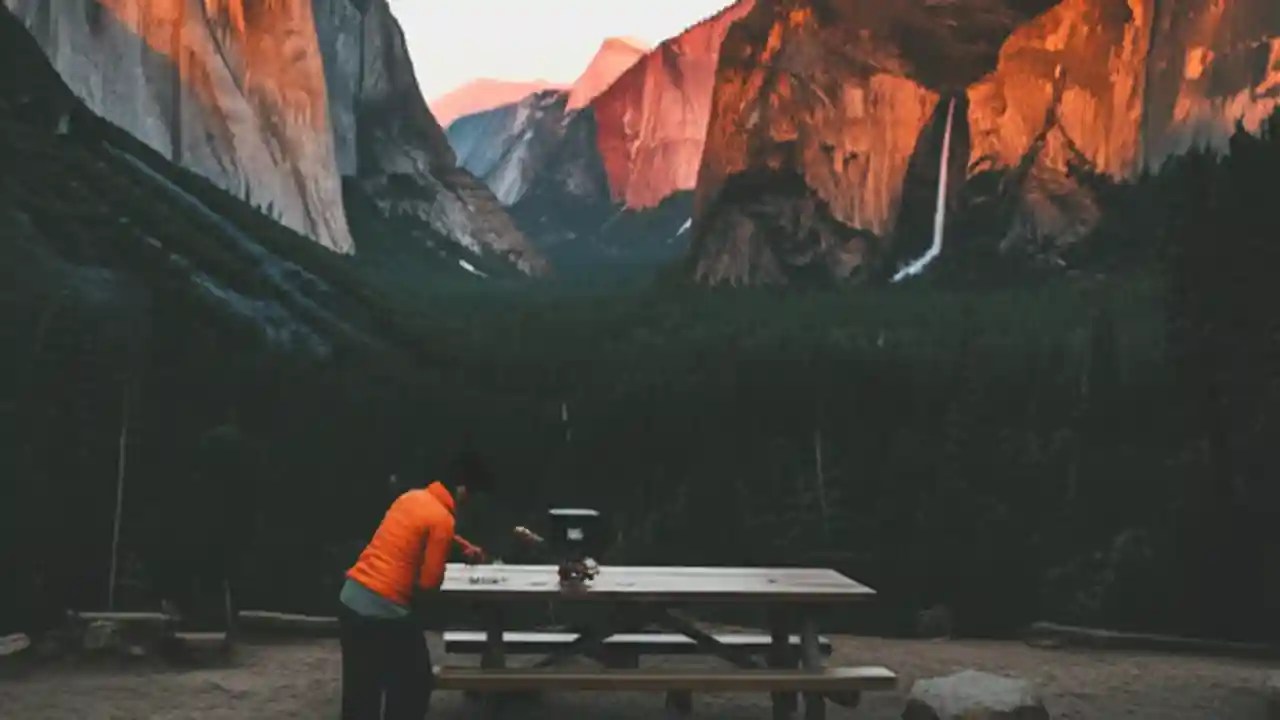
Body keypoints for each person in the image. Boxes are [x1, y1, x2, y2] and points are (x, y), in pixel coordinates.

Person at [338, 449, 494, 720]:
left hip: (351, 599)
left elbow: (420, 528)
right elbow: (429, 583)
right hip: (385, 610)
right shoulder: (443, 519)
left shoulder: (411, 498)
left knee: (361, 693)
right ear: (461, 490)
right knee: (415, 683)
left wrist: (461, 545)